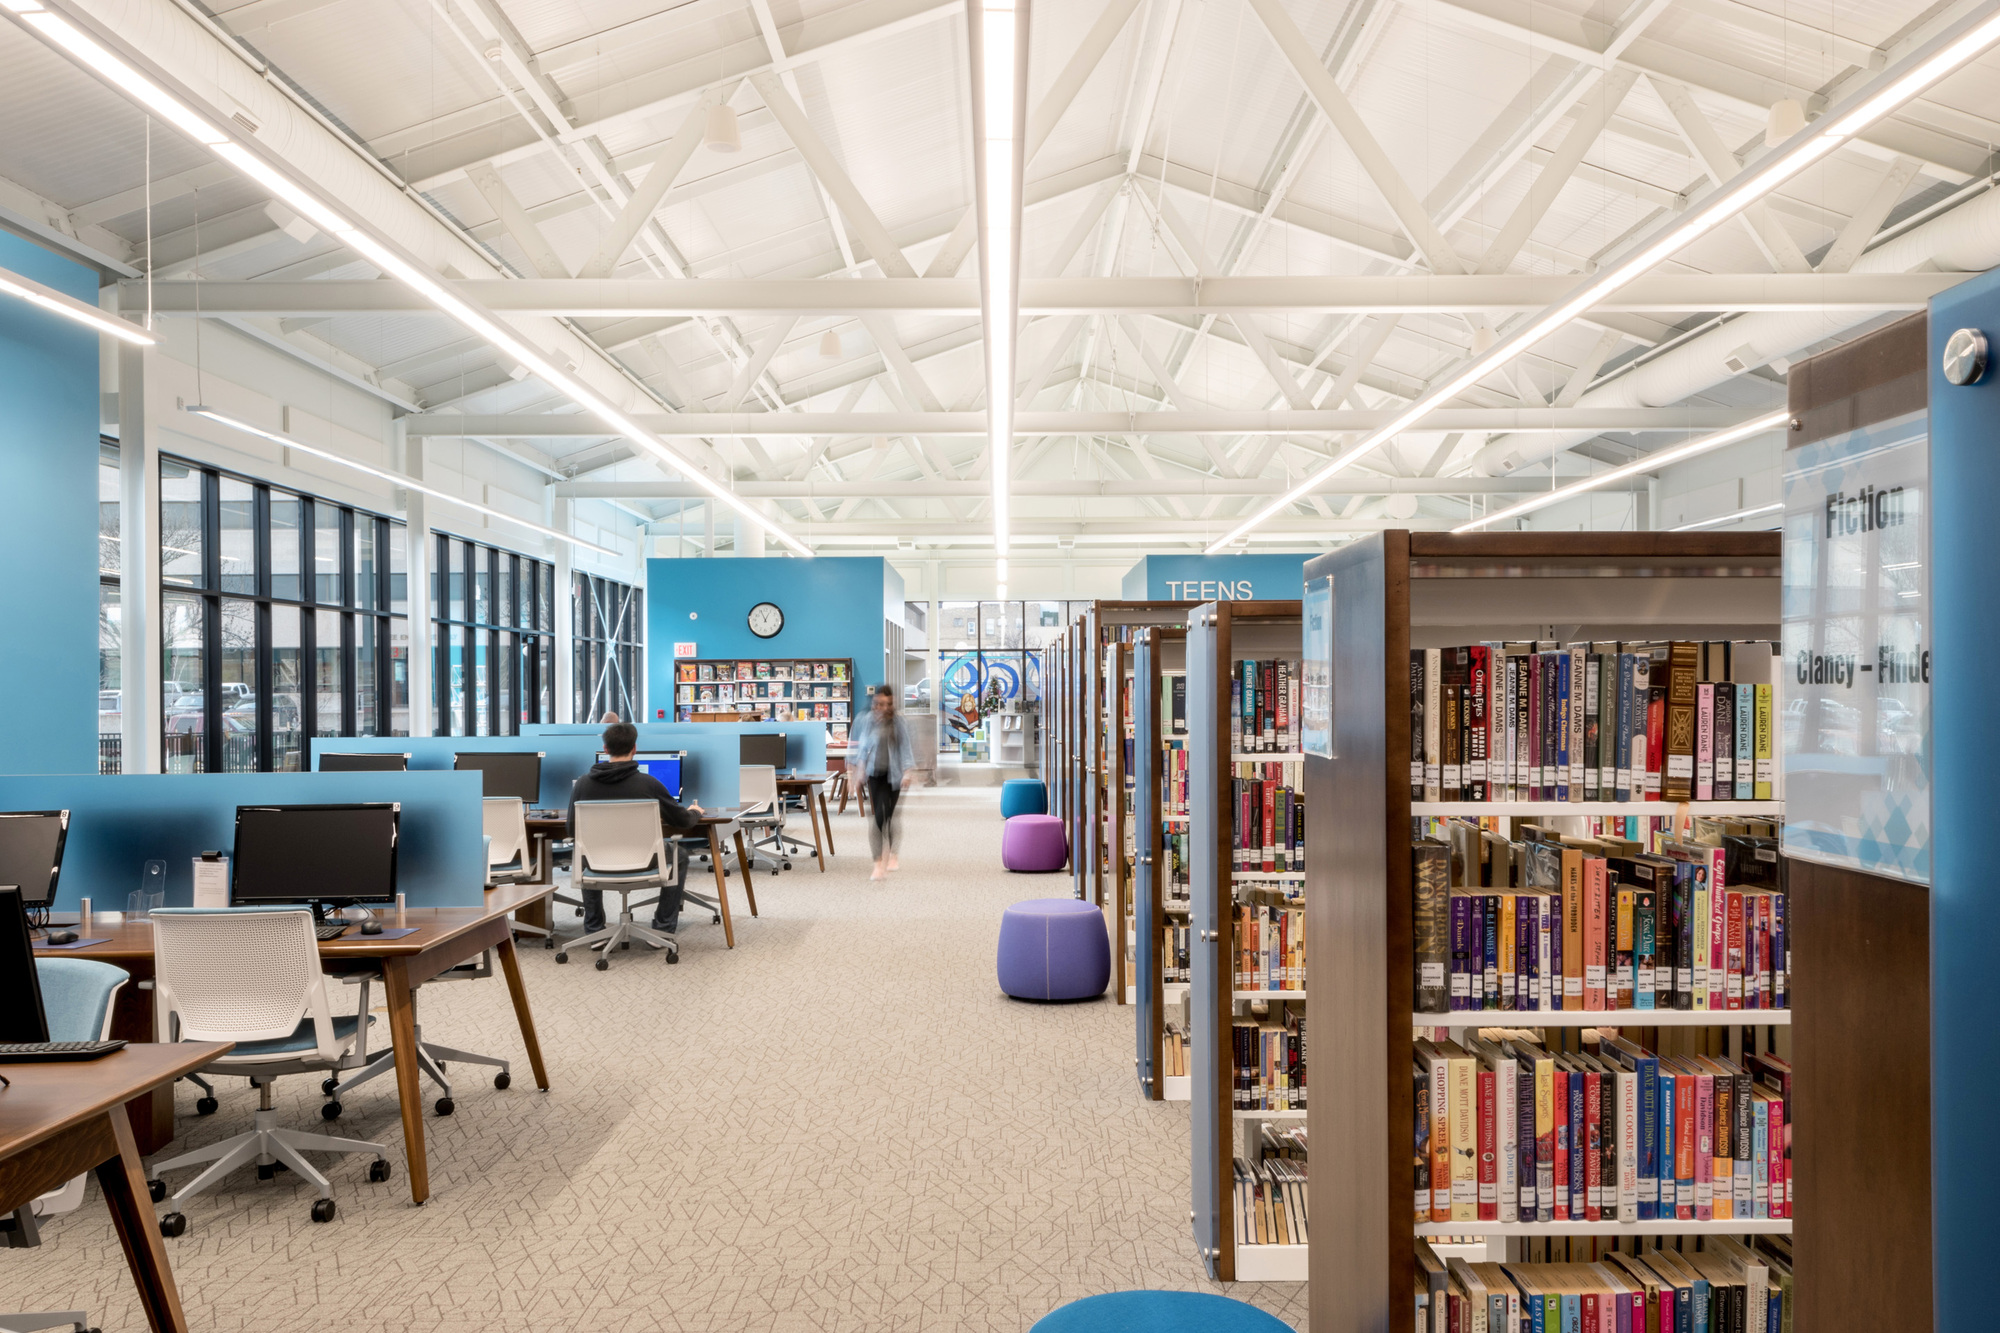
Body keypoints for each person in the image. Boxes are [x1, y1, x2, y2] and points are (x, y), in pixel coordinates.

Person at [567, 721, 703, 937]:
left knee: (582, 852)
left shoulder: (582, 784)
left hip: (597, 859)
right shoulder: (649, 784)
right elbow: (682, 821)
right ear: (634, 748)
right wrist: (695, 811)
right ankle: (662, 929)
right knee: (681, 857)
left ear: (605, 749)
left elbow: (571, 830)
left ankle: (594, 930)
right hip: (644, 858)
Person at [851, 684, 913, 880]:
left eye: (887, 704)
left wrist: (908, 772)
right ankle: (877, 864)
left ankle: (893, 854)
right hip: (875, 775)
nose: (882, 708)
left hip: (895, 776)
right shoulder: (868, 721)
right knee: (878, 816)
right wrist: (859, 772)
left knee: (890, 817)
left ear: (891, 704)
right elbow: (863, 748)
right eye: (879, 703)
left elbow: (905, 748)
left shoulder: (898, 722)